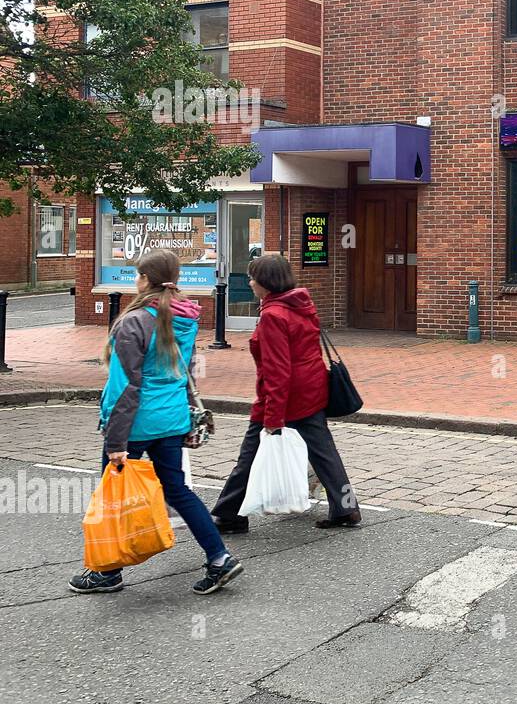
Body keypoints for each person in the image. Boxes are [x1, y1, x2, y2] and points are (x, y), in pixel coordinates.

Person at [70, 249, 244, 596]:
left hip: (135, 425)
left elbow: (124, 386)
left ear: (146, 279)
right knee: (177, 490)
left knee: (115, 495)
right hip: (172, 418)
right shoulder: (185, 317)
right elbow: (186, 372)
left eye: (137, 274)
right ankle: (219, 557)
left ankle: (108, 571)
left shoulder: (133, 321)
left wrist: (117, 441)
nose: (135, 280)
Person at [211, 254, 361, 531]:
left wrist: (272, 417)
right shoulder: (301, 305)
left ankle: (229, 514)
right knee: (324, 452)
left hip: (284, 396)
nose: (250, 282)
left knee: (251, 453)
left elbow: (277, 371)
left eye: (253, 277)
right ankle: (346, 507)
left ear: (265, 283)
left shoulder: (273, 316)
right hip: (312, 389)